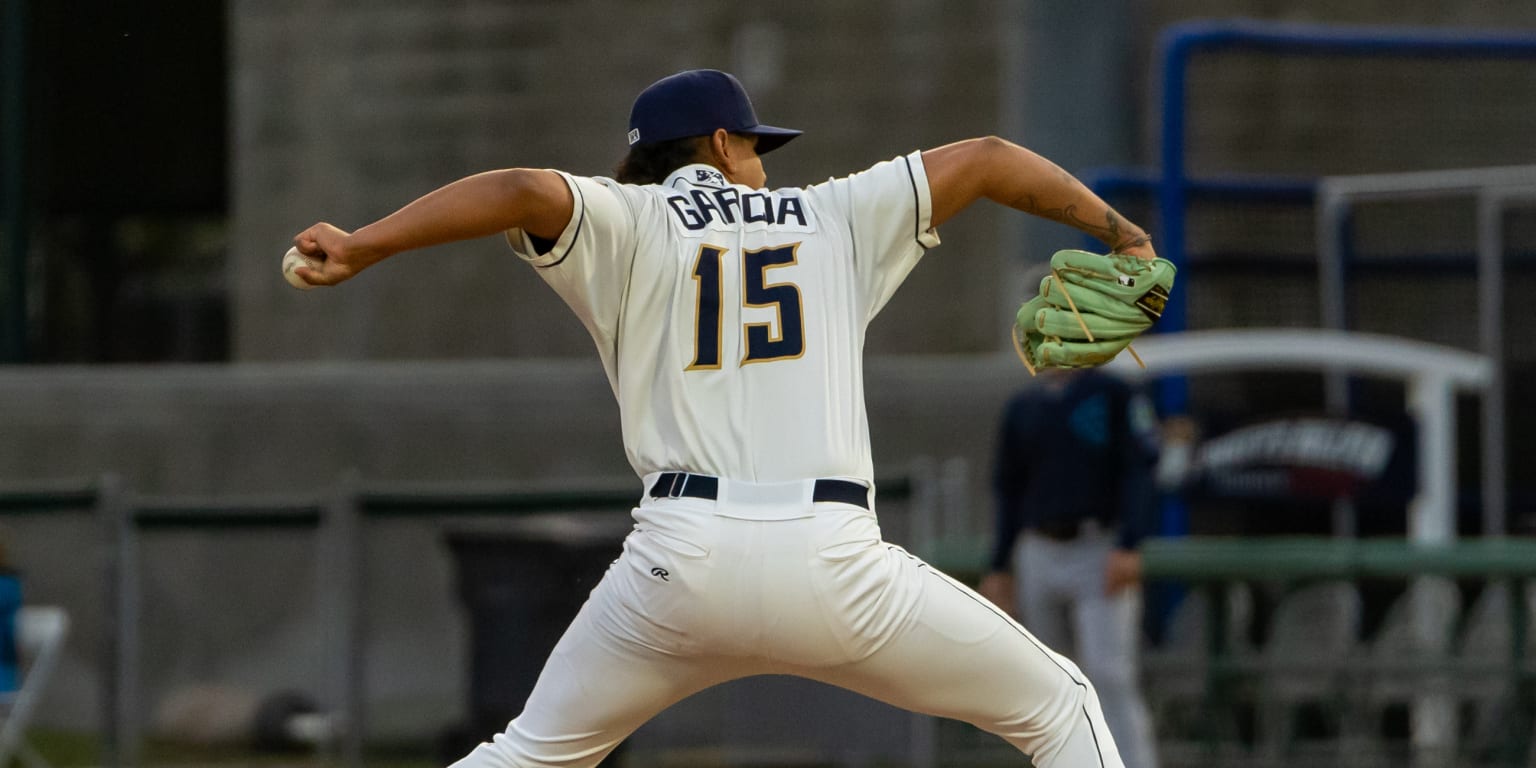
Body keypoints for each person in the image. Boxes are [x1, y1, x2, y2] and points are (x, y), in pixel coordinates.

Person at [290, 69, 1158, 768]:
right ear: (719, 143)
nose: (764, 162)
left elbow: (520, 187)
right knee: (1058, 707)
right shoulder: (832, 214)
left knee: (530, 755)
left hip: (679, 560)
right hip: (835, 561)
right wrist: (1121, 235)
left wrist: (366, 243)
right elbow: (989, 156)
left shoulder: (624, 221)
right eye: (756, 144)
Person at [978, 366, 1163, 768]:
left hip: (1098, 544)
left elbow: (1141, 465)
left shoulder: (1116, 392)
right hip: (1039, 547)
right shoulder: (1024, 405)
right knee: (1047, 678)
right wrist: (999, 564)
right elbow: (1008, 489)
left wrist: (1132, 541)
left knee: (1108, 673)